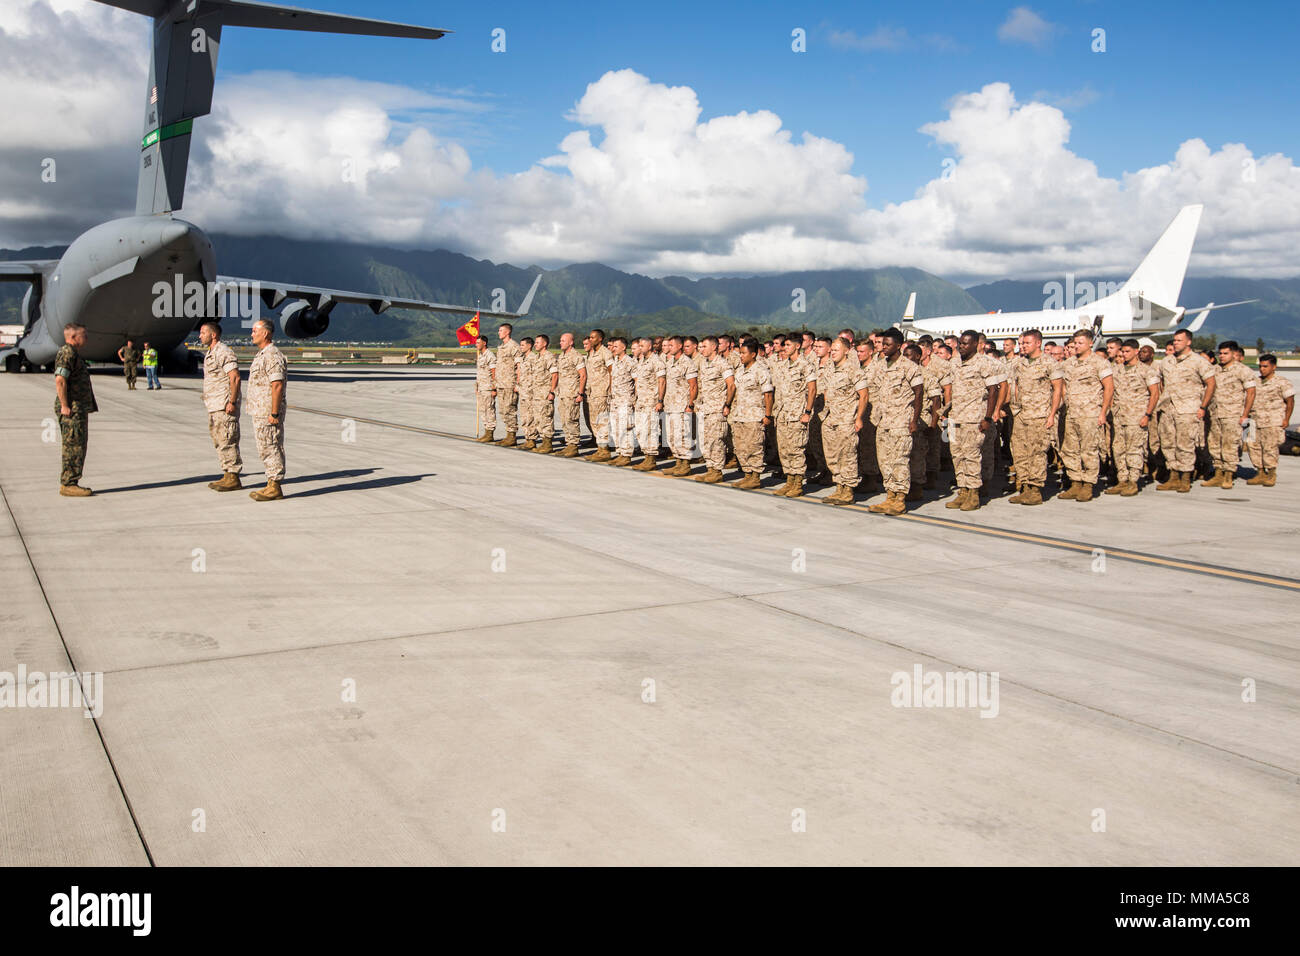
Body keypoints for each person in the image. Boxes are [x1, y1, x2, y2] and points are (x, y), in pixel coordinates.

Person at [945, 331, 1004, 511]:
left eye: (965, 344)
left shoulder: (984, 363)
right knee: (957, 456)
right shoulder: (954, 363)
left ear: (976, 344)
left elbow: (993, 390)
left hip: (974, 418)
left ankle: (973, 493)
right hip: (956, 417)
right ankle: (962, 490)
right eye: (960, 343)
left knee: (972, 457)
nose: (961, 346)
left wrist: (987, 417)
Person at [867, 329, 923, 515]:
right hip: (883, 421)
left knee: (899, 461)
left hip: (901, 421)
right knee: (884, 461)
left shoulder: (909, 366)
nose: (883, 347)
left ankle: (899, 499)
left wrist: (914, 420)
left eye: (887, 344)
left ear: (899, 345)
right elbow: (872, 387)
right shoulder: (880, 365)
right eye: (882, 344)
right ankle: (889, 496)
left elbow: (919, 393)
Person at [1005, 330, 1063, 506]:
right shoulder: (1018, 363)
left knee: (1037, 452)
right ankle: (1024, 487)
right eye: (1021, 343)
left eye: (1027, 343)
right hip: (1021, 414)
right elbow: (1012, 386)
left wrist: (1052, 414)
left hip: (1039, 415)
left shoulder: (1049, 363)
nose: (1023, 346)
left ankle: (1035, 489)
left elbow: (1058, 390)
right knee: (1019, 451)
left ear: (1038, 343)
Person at [1057, 329, 1114, 502]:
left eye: (1080, 342)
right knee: (1070, 450)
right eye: (1075, 343)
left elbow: (1109, 388)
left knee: (1089, 450)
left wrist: (1103, 412)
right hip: (1072, 413)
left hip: (1090, 414)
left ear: (1090, 343)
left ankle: (1088, 485)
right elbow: (1063, 385)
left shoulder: (1099, 363)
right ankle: (1075, 483)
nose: (1076, 346)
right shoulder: (1068, 364)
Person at [1157, 329, 1216, 493]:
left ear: (1188, 342)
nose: (1176, 343)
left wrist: (1203, 406)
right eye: (1174, 340)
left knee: (1185, 444)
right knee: (1168, 443)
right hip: (1168, 408)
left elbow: (1211, 384)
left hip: (1188, 408)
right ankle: (1173, 476)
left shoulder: (1199, 362)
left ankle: (1185, 478)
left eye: (1179, 340)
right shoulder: (1166, 362)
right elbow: (1161, 380)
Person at [1105, 339, 1160, 496]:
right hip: (1119, 416)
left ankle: (1133, 481)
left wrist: (1147, 415)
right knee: (1118, 449)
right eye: (1122, 351)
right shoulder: (1116, 370)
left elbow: (1155, 393)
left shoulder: (1146, 371)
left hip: (1137, 417)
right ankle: (1122, 480)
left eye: (1127, 351)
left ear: (1136, 351)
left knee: (1134, 449)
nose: (1123, 354)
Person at [818, 337, 868, 505]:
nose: (832, 352)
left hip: (847, 420)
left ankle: (848, 490)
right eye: (831, 350)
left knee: (847, 456)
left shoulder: (854, 370)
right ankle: (839, 487)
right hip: (830, 419)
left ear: (847, 351)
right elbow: (826, 392)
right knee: (832, 456)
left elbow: (864, 395)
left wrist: (859, 418)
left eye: (836, 350)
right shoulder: (828, 369)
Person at [1202, 340, 1256, 489]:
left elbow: (1251, 393)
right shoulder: (1215, 370)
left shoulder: (1243, 370)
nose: (1222, 356)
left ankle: (1228, 475)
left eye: (1226, 353)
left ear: (1233, 354)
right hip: (1215, 413)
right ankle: (1218, 473)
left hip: (1232, 414)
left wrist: (1245, 414)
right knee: (1214, 444)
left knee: (1230, 445)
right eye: (1220, 353)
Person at [767, 333, 816, 497]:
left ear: (797, 346)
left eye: (788, 345)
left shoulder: (805, 365)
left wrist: (807, 412)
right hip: (782, 414)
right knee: (784, 450)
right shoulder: (781, 366)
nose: (784, 348)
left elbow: (812, 389)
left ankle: (797, 483)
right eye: (784, 345)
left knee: (796, 450)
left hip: (797, 414)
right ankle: (789, 481)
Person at [199, 320, 243, 491]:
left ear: (213, 334)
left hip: (224, 405)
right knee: (219, 440)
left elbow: (235, 377)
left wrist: (232, 401)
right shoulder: (211, 352)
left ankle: (233, 476)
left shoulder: (223, 351)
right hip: (214, 405)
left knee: (227, 439)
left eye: (203, 332)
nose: (200, 335)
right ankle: (227, 474)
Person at [54, 323, 97, 496]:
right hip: (71, 409)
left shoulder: (73, 353)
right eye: (83, 335)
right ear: (73, 337)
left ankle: (71, 481)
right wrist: (65, 405)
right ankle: (68, 483)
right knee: (73, 446)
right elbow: (60, 380)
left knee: (78, 445)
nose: (86, 338)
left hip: (76, 408)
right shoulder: (67, 352)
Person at [246, 318, 287, 501]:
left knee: (271, 446)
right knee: (265, 447)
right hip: (261, 410)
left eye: (255, 330)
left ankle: (275, 486)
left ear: (266, 333)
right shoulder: (262, 354)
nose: (252, 334)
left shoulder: (272, 355)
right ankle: (271, 483)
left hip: (268, 412)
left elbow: (277, 385)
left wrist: (274, 413)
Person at [725, 338, 773, 489]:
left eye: (744, 353)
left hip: (754, 415)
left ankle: (755, 477)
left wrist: (768, 415)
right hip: (740, 414)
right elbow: (733, 389)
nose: (741, 356)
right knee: (741, 446)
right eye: (740, 353)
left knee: (754, 447)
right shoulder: (740, 370)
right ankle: (747, 474)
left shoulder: (761, 370)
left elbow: (768, 394)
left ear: (753, 354)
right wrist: (728, 405)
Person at [1245, 354, 1294, 486]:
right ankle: (1260, 472)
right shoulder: (1254, 382)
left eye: (1265, 366)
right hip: (1253, 420)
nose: (1262, 369)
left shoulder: (1282, 382)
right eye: (1260, 366)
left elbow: (1290, 401)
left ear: (1274, 367)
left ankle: (1271, 473)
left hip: (1272, 421)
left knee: (1270, 448)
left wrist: (1286, 419)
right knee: (1252, 446)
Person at [693, 336, 734, 484]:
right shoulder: (704, 363)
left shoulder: (722, 364)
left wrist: (727, 405)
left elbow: (731, 385)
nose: (701, 349)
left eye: (704, 346)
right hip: (705, 408)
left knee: (716, 441)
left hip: (717, 409)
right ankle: (710, 469)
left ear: (714, 347)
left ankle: (717, 471)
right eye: (700, 346)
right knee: (705, 440)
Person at [659, 335, 699, 476]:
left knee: (682, 436)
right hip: (670, 406)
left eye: (671, 345)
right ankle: (677, 462)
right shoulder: (670, 363)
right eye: (668, 345)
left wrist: (690, 404)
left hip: (681, 406)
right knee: (671, 437)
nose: (669, 348)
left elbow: (693, 385)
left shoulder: (687, 363)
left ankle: (685, 465)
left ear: (680, 346)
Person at [631, 338, 667, 471]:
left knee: (650, 430)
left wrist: (660, 401)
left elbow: (661, 381)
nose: (639, 348)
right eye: (638, 346)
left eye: (642, 345)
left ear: (650, 346)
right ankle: (646, 456)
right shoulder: (641, 361)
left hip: (651, 402)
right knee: (641, 430)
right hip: (641, 401)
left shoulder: (656, 361)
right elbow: (638, 382)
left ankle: (651, 459)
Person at [606, 337, 638, 466]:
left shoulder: (630, 362)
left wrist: (635, 398)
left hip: (625, 399)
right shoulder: (616, 362)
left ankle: (626, 454)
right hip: (615, 400)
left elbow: (637, 381)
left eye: (616, 346)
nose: (613, 348)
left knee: (626, 427)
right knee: (615, 428)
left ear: (624, 347)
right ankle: (619, 451)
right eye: (612, 346)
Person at [584, 329, 614, 461]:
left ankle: (605, 450)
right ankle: (600, 449)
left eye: (593, 338)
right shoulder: (592, 353)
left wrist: (610, 390)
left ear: (600, 339)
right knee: (594, 422)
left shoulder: (605, 353)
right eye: (590, 338)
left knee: (602, 422)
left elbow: (612, 371)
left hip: (601, 392)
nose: (590, 340)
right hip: (592, 393)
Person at [555, 332, 586, 457]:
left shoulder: (576, 356)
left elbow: (583, 375)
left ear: (571, 342)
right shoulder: (562, 356)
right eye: (561, 340)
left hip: (572, 393)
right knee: (564, 420)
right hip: (563, 393)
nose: (560, 342)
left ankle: (573, 446)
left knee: (572, 419)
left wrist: (580, 393)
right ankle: (569, 444)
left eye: (563, 340)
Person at [529, 334, 558, 454]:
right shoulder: (537, 358)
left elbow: (555, 375)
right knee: (538, 418)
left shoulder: (549, 357)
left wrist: (552, 391)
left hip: (545, 393)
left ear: (544, 344)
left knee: (546, 417)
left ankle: (547, 443)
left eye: (537, 342)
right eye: (535, 342)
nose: (535, 344)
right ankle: (543, 441)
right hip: (536, 393)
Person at [494, 323, 521, 446]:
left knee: (510, 410)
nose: (499, 333)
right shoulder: (501, 347)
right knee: (503, 410)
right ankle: (508, 434)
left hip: (510, 383)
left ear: (507, 332)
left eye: (501, 330)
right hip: (501, 383)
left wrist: (518, 383)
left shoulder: (513, 346)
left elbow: (519, 366)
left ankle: (512, 436)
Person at [474, 335, 497, 442]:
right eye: (476, 342)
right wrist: (477, 387)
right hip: (481, 387)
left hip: (488, 387)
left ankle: (490, 433)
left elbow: (494, 373)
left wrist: (494, 388)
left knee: (489, 410)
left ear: (484, 343)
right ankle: (486, 431)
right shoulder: (481, 355)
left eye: (478, 342)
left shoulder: (490, 355)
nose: (476, 344)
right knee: (483, 410)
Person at [516, 337, 536, 449]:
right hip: (523, 392)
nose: (521, 347)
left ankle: (532, 439)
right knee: (524, 416)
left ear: (529, 346)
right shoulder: (523, 359)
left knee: (530, 416)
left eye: (523, 345)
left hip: (530, 392)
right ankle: (527, 438)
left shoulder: (533, 358)